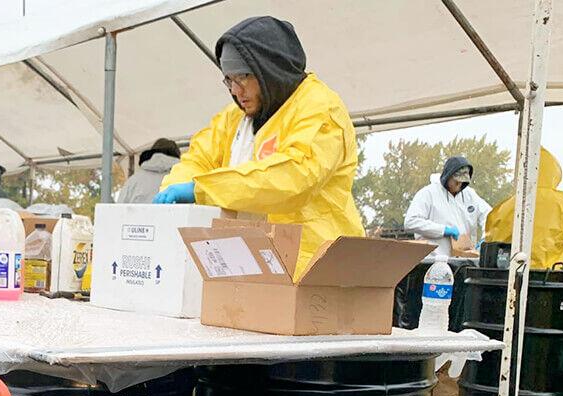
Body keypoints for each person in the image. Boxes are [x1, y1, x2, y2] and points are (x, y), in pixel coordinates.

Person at [154, 17, 364, 277]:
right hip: (255, 267)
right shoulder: (235, 119)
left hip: (317, 267)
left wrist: (202, 189)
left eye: (242, 77)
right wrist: (175, 188)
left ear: (269, 69)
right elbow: (198, 158)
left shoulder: (321, 109)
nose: (235, 90)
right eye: (228, 80)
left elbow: (293, 178)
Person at [485, 148, 563, 269]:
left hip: (509, 281)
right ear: (554, 173)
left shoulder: (501, 209)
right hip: (555, 282)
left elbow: (492, 250)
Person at [404, 157, 492, 257]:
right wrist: (443, 230)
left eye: (463, 182)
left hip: (463, 260)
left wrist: (486, 238)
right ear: (447, 176)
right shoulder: (428, 193)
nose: (459, 185)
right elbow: (410, 222)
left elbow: (489, 215)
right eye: (456, 181)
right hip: (433, 260)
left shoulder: (470, 195)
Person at [118, 139, 181, 203]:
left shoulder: (133, 181)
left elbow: (118, 209)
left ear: (152, 152)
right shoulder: (185, 181)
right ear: (177, 155)